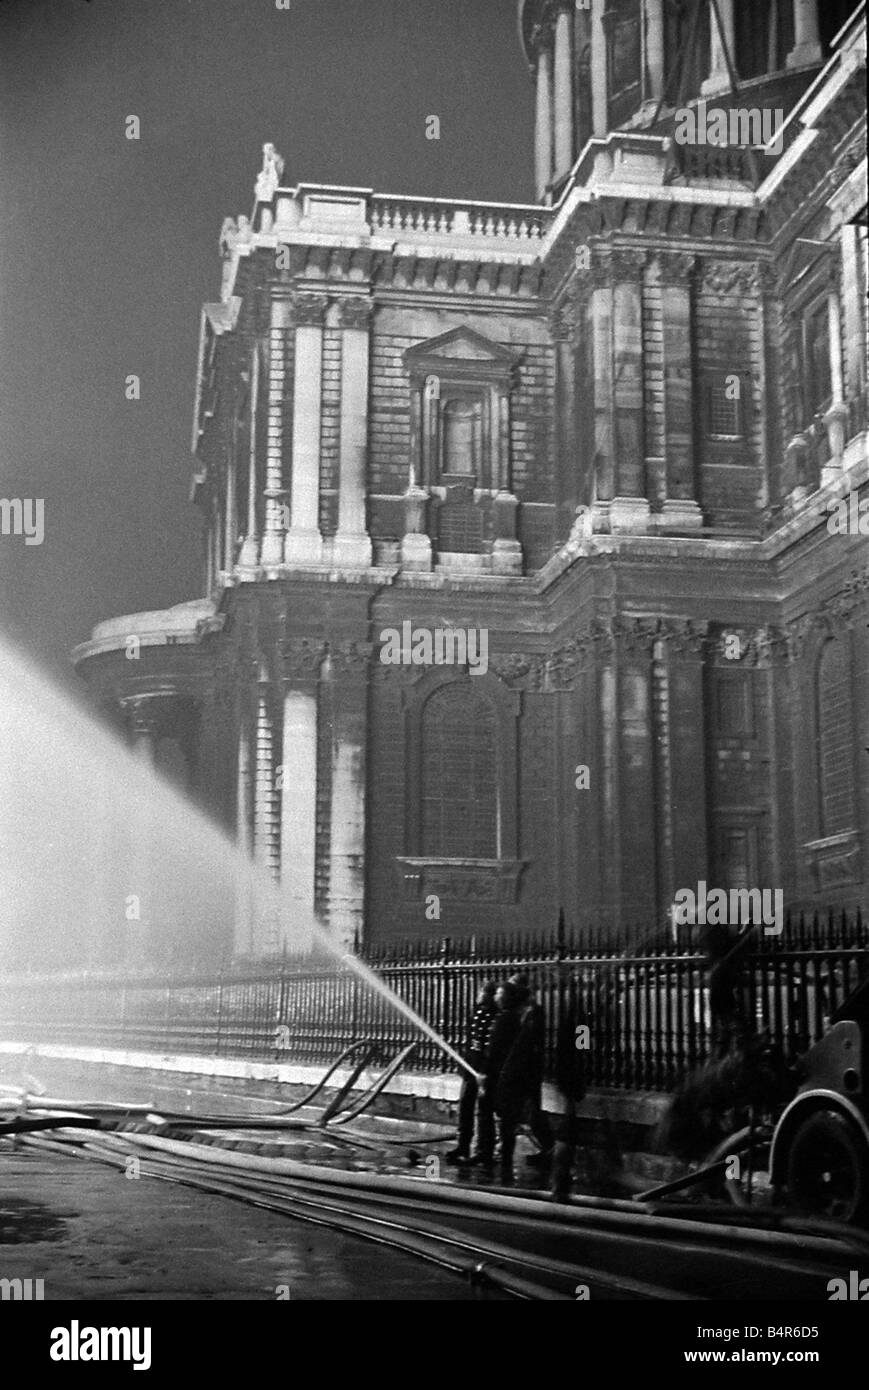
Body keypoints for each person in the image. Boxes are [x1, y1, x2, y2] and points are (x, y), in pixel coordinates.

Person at [495, 973, 554, 1174]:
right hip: (521, 1068)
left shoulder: (531, 1011)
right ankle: (546, 1149)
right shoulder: (522, 1011)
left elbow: (527, 1043)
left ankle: (550, 1149)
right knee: (521, 1112)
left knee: (531, 1112)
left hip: (526, 1070)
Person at [466, 980, 523, 1169]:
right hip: (502, 1076)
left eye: (499, 993)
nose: (496, 996)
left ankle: (486, 1153)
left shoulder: (504, 1019)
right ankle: (492, 1153)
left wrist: (483, 1074)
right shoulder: (511, 1017)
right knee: (498, 1117)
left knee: (486, 1112)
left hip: (495, 1076)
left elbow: (493, 1051)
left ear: (506, 997)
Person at [446, 980, 497, 1164]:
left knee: (484, 1111)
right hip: (471, 1067)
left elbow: (490, 1048)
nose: (479, 994)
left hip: (483, 1070)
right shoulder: (477, 1011)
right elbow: (471, 1041)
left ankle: (483, 1150)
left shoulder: (494, 1015)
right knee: (465, 1106)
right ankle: (463, 1145)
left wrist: (485, 1071)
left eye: (483, 991)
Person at [550, 982, 590, 1201]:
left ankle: (561, 1173)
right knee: (569, 1122)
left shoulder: (566, 1022)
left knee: (568, 1120)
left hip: (565, 1074)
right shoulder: (580, 1024)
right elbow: (582, 1049)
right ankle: (562, 1172)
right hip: (572, 1075)